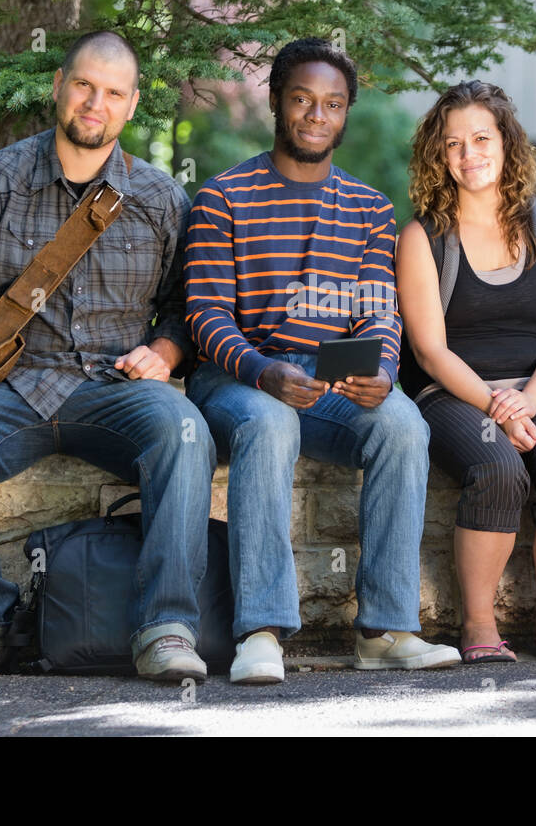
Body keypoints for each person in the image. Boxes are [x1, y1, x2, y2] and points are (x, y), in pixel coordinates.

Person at [0, 30, 216, 681]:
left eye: (112, 93)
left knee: (185, 431)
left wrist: (163, 350)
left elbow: (192, 304)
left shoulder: (160, 199)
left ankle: (165, 627)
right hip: (16, 387)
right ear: (58, 86)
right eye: (83, 85)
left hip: (116, 388)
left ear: (131, 107)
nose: (94, 103)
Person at [183, 37, 460, 684]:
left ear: (346, 114)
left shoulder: (368, 208)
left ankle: (386, 630)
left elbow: (378, 313)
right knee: (270, 421)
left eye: (332, 104)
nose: (316, 115)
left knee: (401, 424)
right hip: (241, 377)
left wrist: (382, 373)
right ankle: (261, 630)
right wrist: (263, 372)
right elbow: (205, 317)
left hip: (331, 375)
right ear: (278, 102)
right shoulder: (223, 196)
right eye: (302, 100)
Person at [397, 81, 536, 664]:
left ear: (507, 143)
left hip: (535, 386)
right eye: (454, 143)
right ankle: (478, 625)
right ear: (439, 155)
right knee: (498, 469)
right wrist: (494, 406)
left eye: (482, 138)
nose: (469, 154)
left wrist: (529, 400)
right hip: (454, 392)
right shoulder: (422, 238)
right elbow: (430, 351)